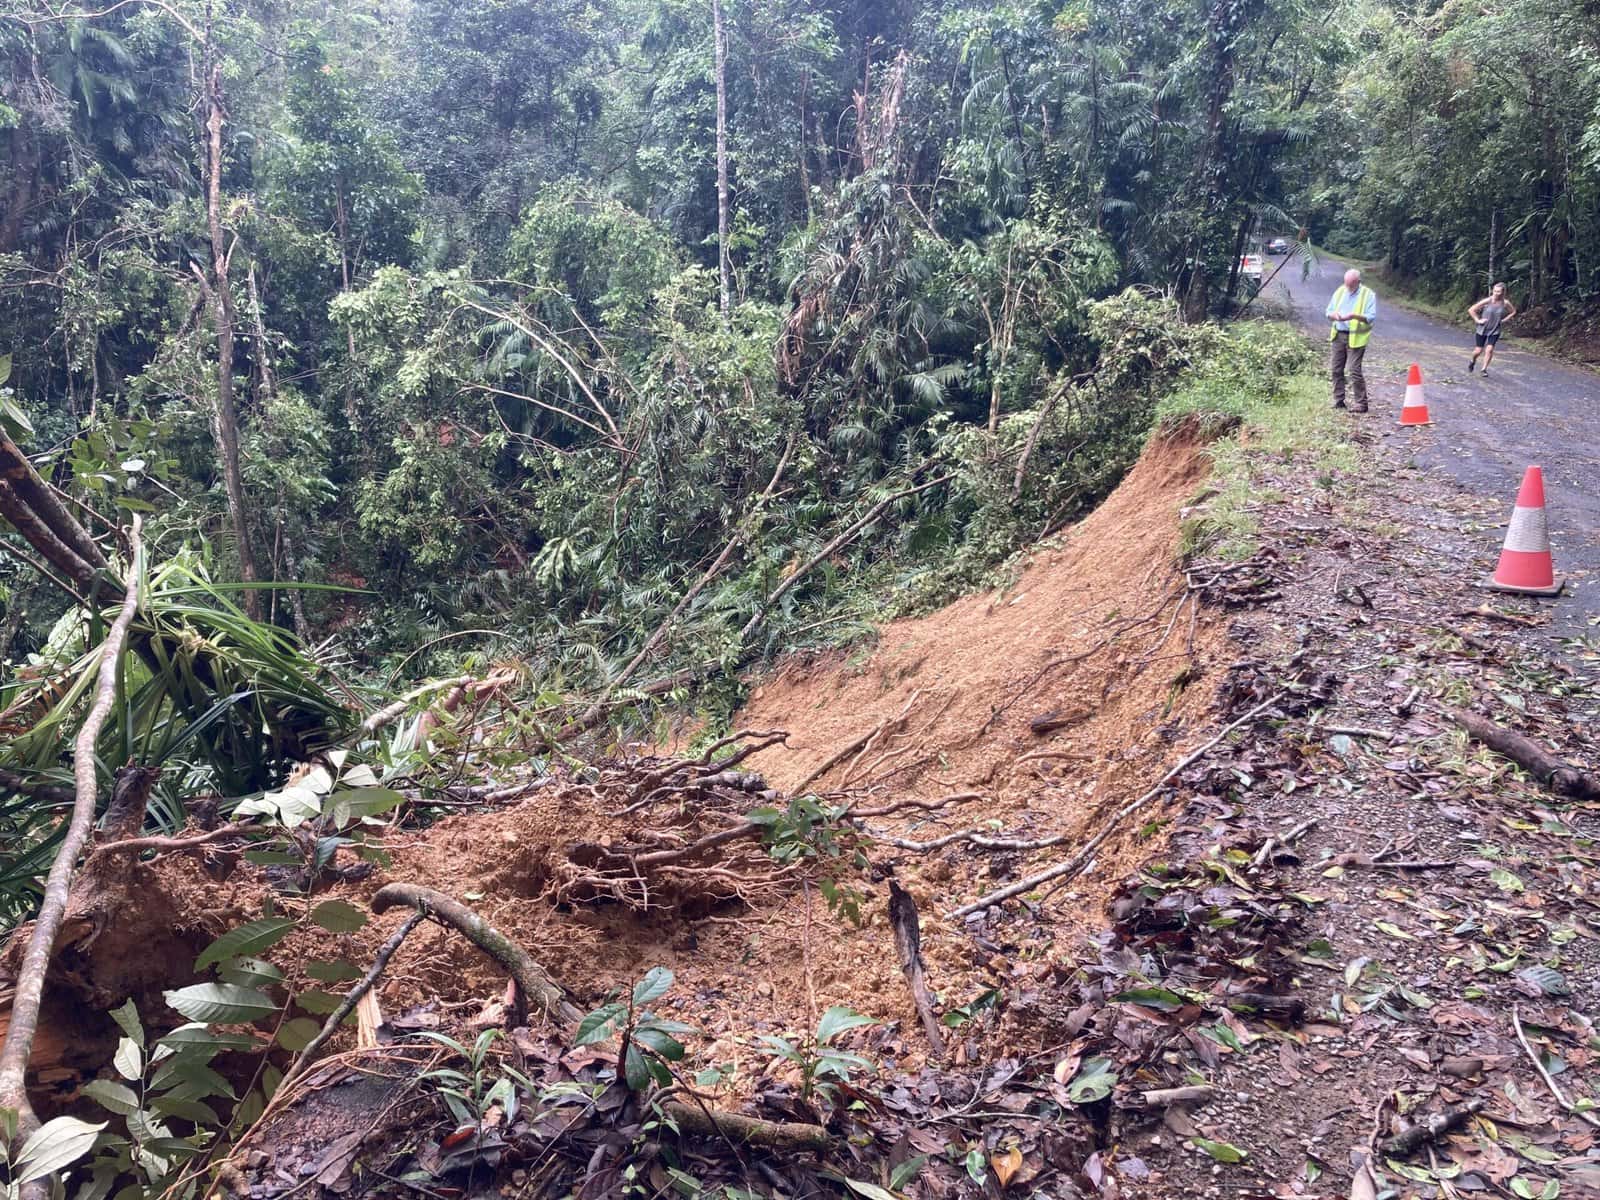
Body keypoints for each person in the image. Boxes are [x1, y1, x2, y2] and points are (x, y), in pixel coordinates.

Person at [1325, 268, 1377, 412]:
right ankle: (1339, 400)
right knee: (1336, 369)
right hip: (1339, 334)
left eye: (1351, 285)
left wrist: (1354, 316)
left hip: (1356, 338)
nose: (1348, 288)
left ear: (1358, 282)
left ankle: (1361, 403)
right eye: (1346, 284)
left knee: (1354, 370)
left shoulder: (1368, 295)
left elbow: (1371, 317)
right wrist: (1334, 316)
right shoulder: (1340, 291)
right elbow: (1328, 311)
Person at [1468, 282, 1516, 376]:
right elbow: (1471, 309)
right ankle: (1472, 360)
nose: (1496, 293)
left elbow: (1513, 311)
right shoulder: (1487, 301)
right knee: (1478, 350)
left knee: (1489, 349)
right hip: (1483, 329)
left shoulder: (1505, 303)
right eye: (1494, 291)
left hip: (1495, 330)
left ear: (1503, 292)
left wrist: (1505, 320)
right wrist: (1477, 320)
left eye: (1498, 291)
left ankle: (1484, 369)